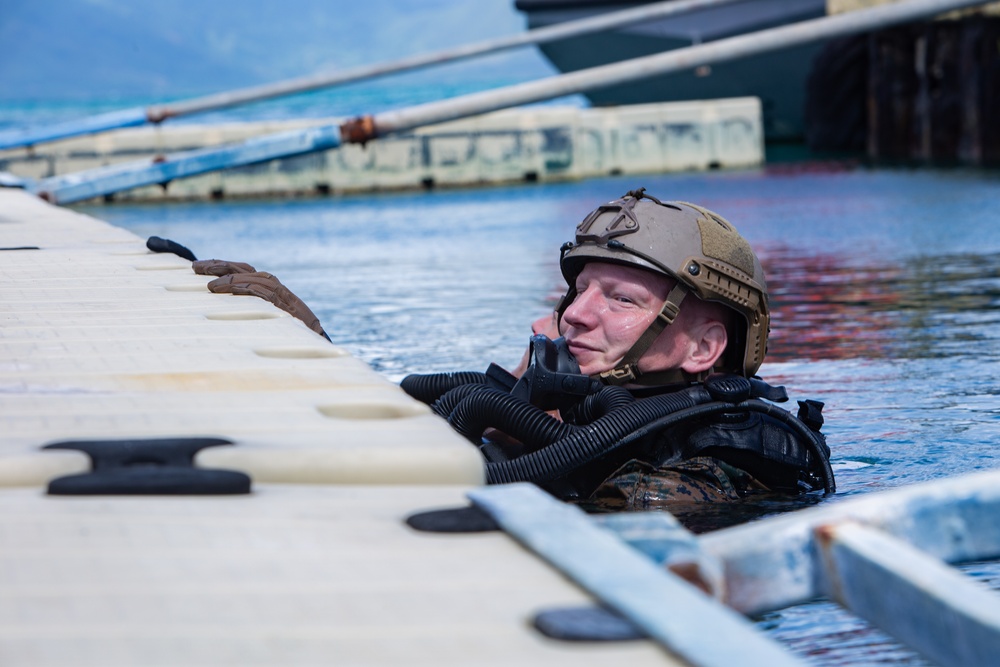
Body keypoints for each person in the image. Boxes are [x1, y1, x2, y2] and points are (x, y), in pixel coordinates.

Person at [182, 188, 834, 509]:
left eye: (620, 299)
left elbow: (615, 511)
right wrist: (315, 347)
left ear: (703, 346)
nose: (576, 314)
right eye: (579, 290)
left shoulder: (743, 450)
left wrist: (523, 429)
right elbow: (422, 425)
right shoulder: (582, 403)